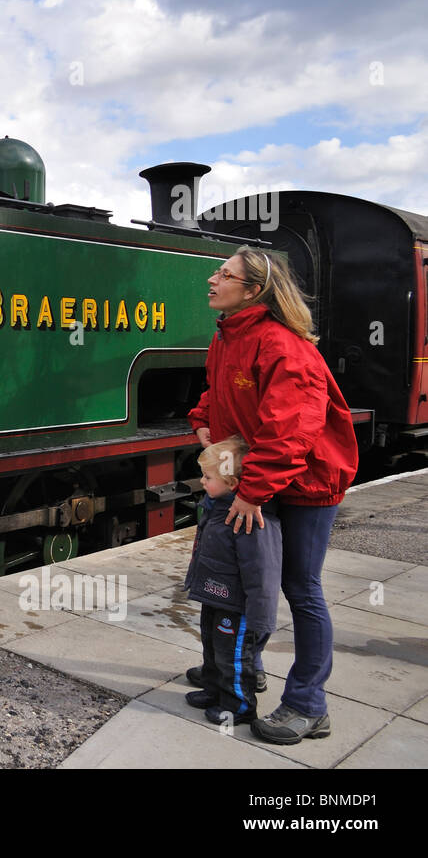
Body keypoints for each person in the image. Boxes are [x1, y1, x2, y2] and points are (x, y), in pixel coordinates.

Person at [188, 246, 359, 744]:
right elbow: (219, 393)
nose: (212, 279)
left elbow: (290, 432)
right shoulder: (229, 337)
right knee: (246, 579)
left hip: (307, 482)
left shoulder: (283, 345)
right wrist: (203, 422)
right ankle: (243, 674)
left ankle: (309, 704)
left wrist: (253, 493)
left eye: (225, 274)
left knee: (300, 588)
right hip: (264, 478)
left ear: (253, 290)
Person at [183, 436, 282, 727]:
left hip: (236, 604)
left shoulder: (249, 519)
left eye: (208, 476)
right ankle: (214, 690)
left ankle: (238, 705)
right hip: (214, 596)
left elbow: (262, 571)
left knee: (234, 657)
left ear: (234, 484)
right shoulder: (215, 507)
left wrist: (260, 615)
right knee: (212, 648)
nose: (202, 481)